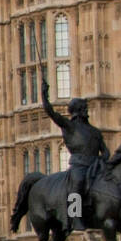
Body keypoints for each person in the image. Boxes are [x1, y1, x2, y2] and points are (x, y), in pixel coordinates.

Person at [40, 78, 109, 231]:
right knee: (77, 183)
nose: (86, 110)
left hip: (96, 166)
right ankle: (75, 217)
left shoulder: (94, 131)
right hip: (79, 165)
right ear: (77, 110)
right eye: (83, 108)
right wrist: (44, 95)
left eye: (86, 107)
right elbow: (51, 113)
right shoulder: (70, 126)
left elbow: (105, 152)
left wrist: (102, 160)